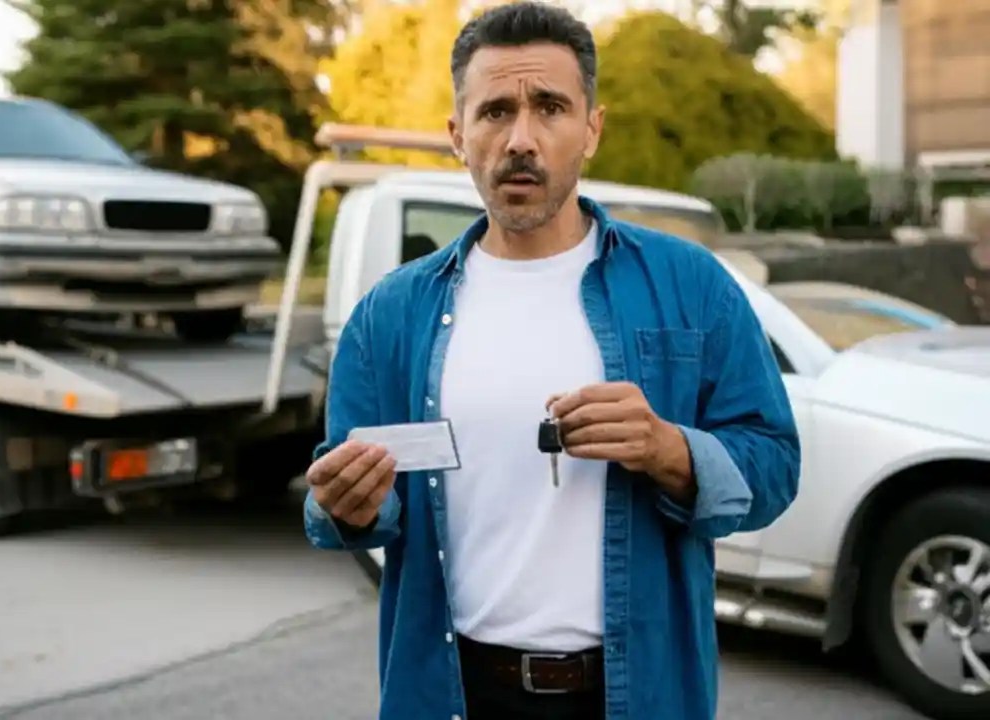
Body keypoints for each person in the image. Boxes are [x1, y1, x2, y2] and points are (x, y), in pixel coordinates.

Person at [301, 2, 800, 719]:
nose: (521, 140)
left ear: (592, 128)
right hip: (454, 692)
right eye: (495, 111)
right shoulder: (391, 313)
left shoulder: (692, 286)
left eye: (551, 108)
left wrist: (669, 450)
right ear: (457, 135)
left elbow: (776, 467)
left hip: (634, 696)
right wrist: (344, 504)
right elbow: (335, 505)